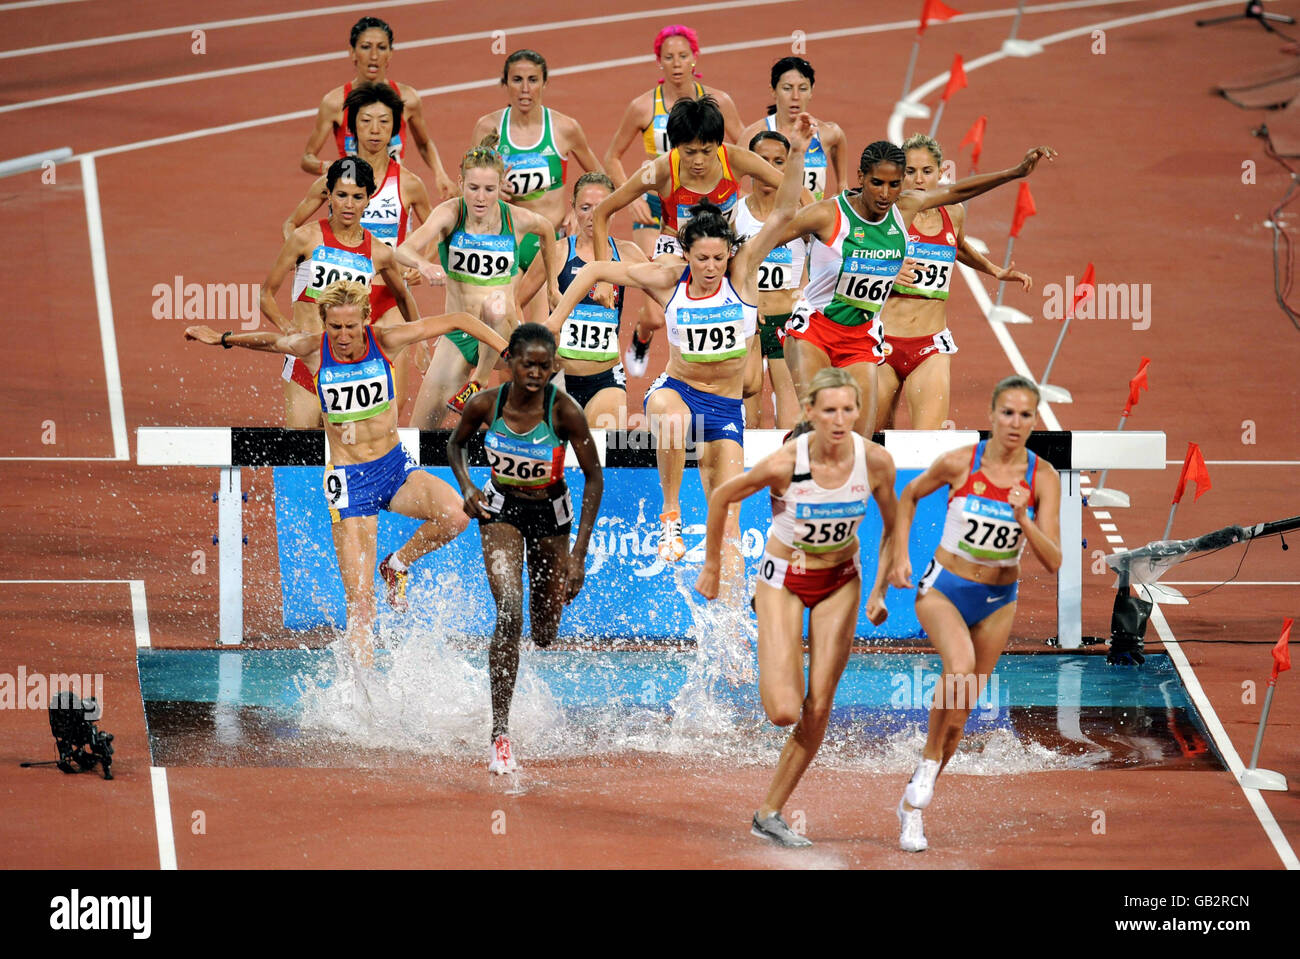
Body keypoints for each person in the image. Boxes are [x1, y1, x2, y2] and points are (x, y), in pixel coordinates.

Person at [185, 281, 509, 667]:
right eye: (334, 327)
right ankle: (362, 700)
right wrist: (221, 338)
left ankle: (398, 563)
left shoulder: (385, 340)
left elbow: (458, 318)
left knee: (457, 514)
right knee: (361, 605)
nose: (342, 336)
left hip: (394, 468)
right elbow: (271, 342)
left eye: (350, 327)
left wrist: (508, 350)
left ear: (365, 321)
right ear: (324, 324)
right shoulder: (314, 350)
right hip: (349, 483)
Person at [555, 115, 813, 570]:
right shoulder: (673, 272)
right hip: (678, 388)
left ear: (727, 253)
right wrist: (556, 320)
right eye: (702, 259)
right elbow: (597, 267)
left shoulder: (742, 267)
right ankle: (669, 516)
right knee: (670, 415)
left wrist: (798, 150)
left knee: (729, 522)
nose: (710, 267)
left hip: (725, 407)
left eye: (717, 259)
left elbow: (788, 208)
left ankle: (726, 619)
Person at [695, 367, 898, 846]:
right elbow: (723, 495)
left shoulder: (875, 461)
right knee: (785, 710)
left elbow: (895, 525)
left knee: (819, 705)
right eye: (830, 409)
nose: (841, 418)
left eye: (850, 409)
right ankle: (768, 630)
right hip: (783, 579)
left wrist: (882, 588)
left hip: (840, 581)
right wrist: (711, 565)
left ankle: (769, 813)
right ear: (810, 411)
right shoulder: (786, 462)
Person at [770, 143, 1057, 437]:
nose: (889, 192)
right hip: (850, 334)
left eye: (924, 172)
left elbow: (957, 221)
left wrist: (1015, 175)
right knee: (837, 429)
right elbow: (781, 243)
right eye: (907, 173)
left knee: (888, 441)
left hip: (897, 340)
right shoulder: (855, 215)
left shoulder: (930, 211)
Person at [888, 375, 1061, 852]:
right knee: (959, 669)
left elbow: (1054, 559)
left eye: (1026, 415)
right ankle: (925, 762)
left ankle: (912, 812)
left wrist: (1025, 519)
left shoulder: (1041, 477)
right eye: (1008, 412)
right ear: (992, 414)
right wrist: (900, 555)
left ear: (1034, 420)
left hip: (998, 602)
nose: (1015, 422)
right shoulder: (961, 461)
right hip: (943, 588)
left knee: (960, 722)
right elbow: (908, 496)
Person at [447, 323, 603, 775]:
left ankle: (536, 632)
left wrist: (578, 554)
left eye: (544, 365)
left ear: (554, 365)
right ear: (510, 362)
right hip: (500, 512)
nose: (535, 373)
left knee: (545, 631)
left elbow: (594, 476)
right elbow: (455, 444)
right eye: (527, 364)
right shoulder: (484, 404)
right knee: (509, 612)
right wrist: (468, 487)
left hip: (551, 517)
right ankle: (500, 734)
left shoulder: (565, 411)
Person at [593, 95, 784, 379]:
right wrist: (604, 281)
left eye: (706, 151)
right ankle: (647, 339)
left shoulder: (736, 160)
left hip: (724, 251)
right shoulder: (660, 170)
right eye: (689, 151)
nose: (698, 161)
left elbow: (794, 189)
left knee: (751, 383)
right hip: (676, 249)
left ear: (718, 144)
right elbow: (602, 213)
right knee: (660, 314)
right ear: (675, 145)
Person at [284, 83, 439, 419]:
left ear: (396, 129)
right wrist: (304, 266)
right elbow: (292, 225)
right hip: (338, 300)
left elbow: (437, 231)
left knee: (391, 405)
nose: (375, 130)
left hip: (386, 298)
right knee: (326, 403)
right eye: (366, 121)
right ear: (352, 128)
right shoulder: (334, 179)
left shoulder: (409, 183)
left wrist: (422, 263)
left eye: (384, 122)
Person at [602, 25, 745, 373]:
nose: (677, 63)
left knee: (715, 296)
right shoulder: (642, 107)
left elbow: (746, 145)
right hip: (660, 209)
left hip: (712, 212)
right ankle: (642, 335)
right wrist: (631, 193)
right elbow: (612, 156)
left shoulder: (718, 102)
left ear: (695, 58)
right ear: (659, 61)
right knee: (654, 310)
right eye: (669, 57)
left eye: (683, 56)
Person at [262, 157, 441, 428]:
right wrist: (287, 328)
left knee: (349, 453)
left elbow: (403, 297)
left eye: (357, 197)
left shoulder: (379, 253)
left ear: (368, 199)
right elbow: (266, 295)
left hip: (352, 370)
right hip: (307, 360)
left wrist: (422, 342)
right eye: (341, 195)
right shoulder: (305, 239)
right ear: (329, 196)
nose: (348, 204)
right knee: (299, 454)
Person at [398, 141, 561, 427]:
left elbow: (548, 231)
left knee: (496, 304)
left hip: (504, 336)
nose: (481, 198)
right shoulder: (450, 213)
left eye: (490, 189)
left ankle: (478, 382)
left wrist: (553, 287)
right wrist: (424, 265)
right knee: (419, 430)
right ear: (461, 183)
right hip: (460, 334)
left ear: (501, 186)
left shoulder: (517, 219)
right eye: (473, 188)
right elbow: (404, 249)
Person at [875, 134, 1032, 430]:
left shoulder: (954, 213)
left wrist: (994, 270)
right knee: (874, 441)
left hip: (930, 345)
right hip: (884, 341)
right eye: (910, 172)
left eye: (927, 171)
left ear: (941, 173)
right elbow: (851, 258)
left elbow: (956, 246)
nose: (919, 180)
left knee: (927, 444)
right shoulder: (888, 215)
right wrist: (888, 273)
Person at [516, 172, 648, 428]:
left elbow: (666, 295)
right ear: (573, 208)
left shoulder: (628, 253)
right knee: (553, 460)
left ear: (614, 208)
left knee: (600, 451)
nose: (592, 216)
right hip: (556, 377)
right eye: (585, 208)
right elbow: (516, 301)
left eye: (600, 208)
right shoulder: (558, 252)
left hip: (606, 379)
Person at [299, 15, 455, 199]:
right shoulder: (335, 102)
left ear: (390, 53)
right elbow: (307, 157)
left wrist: (441, 174)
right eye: (365, 47)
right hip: (351, 199)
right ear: (352, 52)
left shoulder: (407, 98)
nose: (374, 56)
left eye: (381, 48)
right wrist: (328, 167)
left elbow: (424, 143)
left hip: (394, 196)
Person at [732, 130, 814, 429]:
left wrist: (804, 293)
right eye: (762, 160)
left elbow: (829, 256)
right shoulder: (735, 213)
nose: (769, 168)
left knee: (792, 426)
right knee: (748, 425)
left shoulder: (801, 214)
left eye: (779, 161)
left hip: (788, 324)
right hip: (747, 325)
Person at [738, 56, 848, 202]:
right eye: (787, 88)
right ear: (773, 90)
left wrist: (842, 185)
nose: (795, 96)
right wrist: (755, 208)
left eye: (803, 88)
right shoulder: (755, 135)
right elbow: (730, 185)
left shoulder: (826, 133)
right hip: (773, 222)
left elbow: (838, 138)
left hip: (812, 221)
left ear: (811, 91)